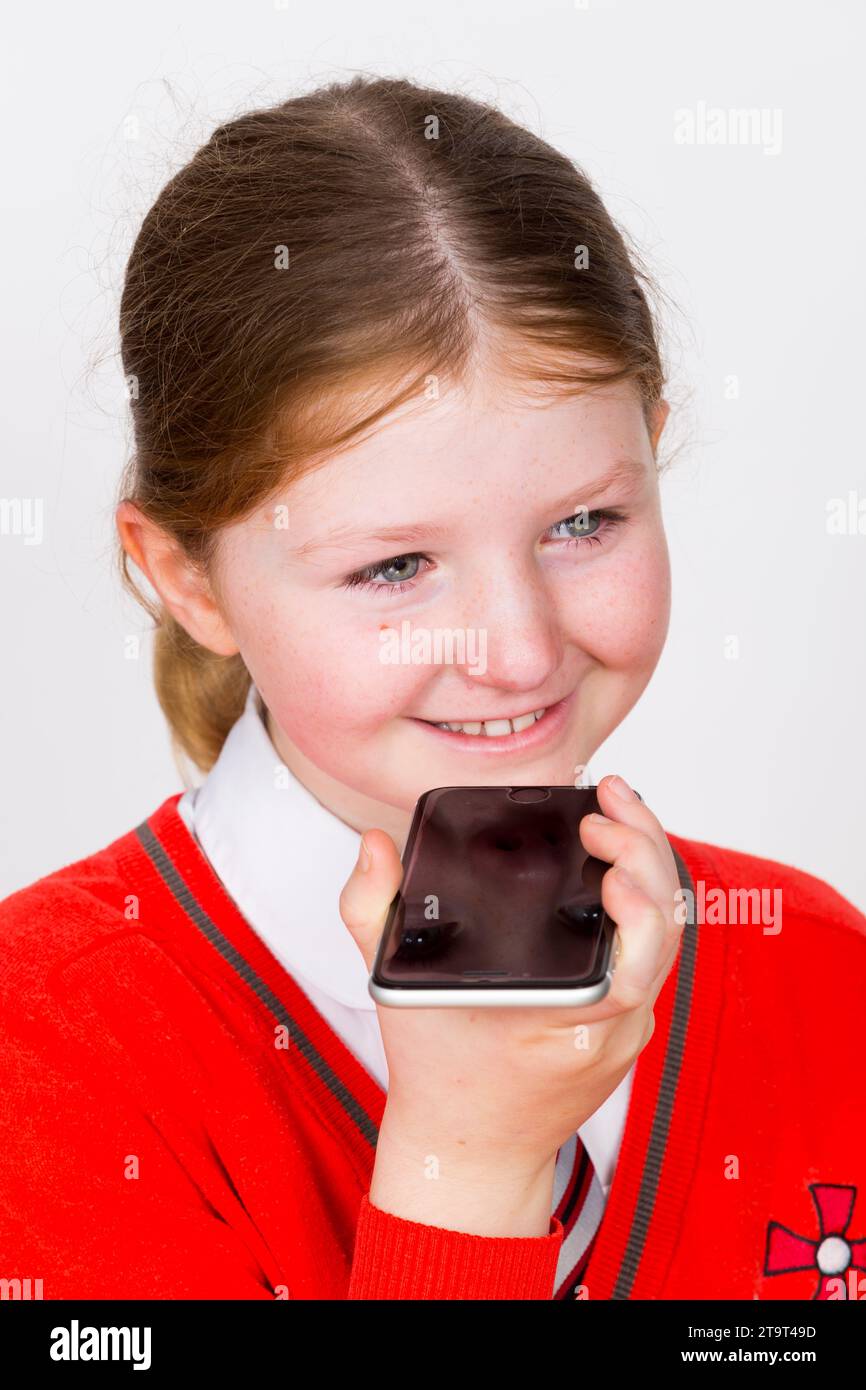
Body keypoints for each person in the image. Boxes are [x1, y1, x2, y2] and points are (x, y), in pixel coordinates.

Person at [1, 74, 864, 1302]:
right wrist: (467, 1172)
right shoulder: (39, 1059)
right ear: (187, 577)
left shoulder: (819, 973)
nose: (516, 651)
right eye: (394, 566)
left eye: (583, 520)